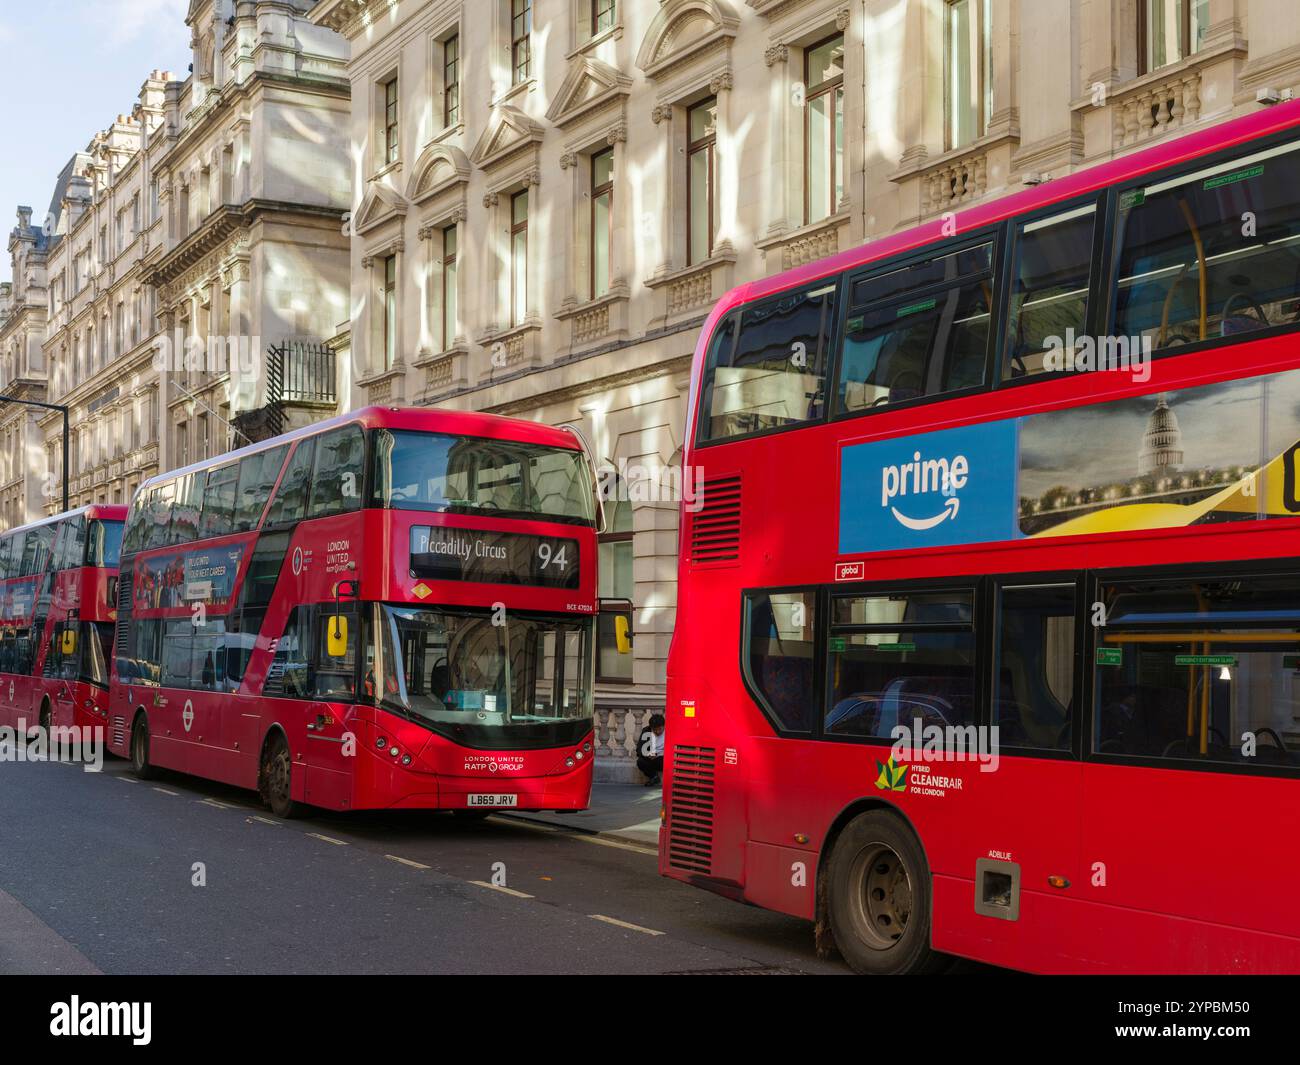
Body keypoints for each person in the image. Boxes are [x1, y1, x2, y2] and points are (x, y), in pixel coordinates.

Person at [637, 713, 666, 786]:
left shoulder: (669, 731)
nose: (658, 732)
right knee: (640, 762)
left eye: (660, 729)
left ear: (664, 726)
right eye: (655, 730)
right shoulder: (646, 731)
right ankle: (654, 777)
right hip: (652, 758)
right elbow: (639, 749)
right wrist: (648, 755)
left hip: (664, 758)